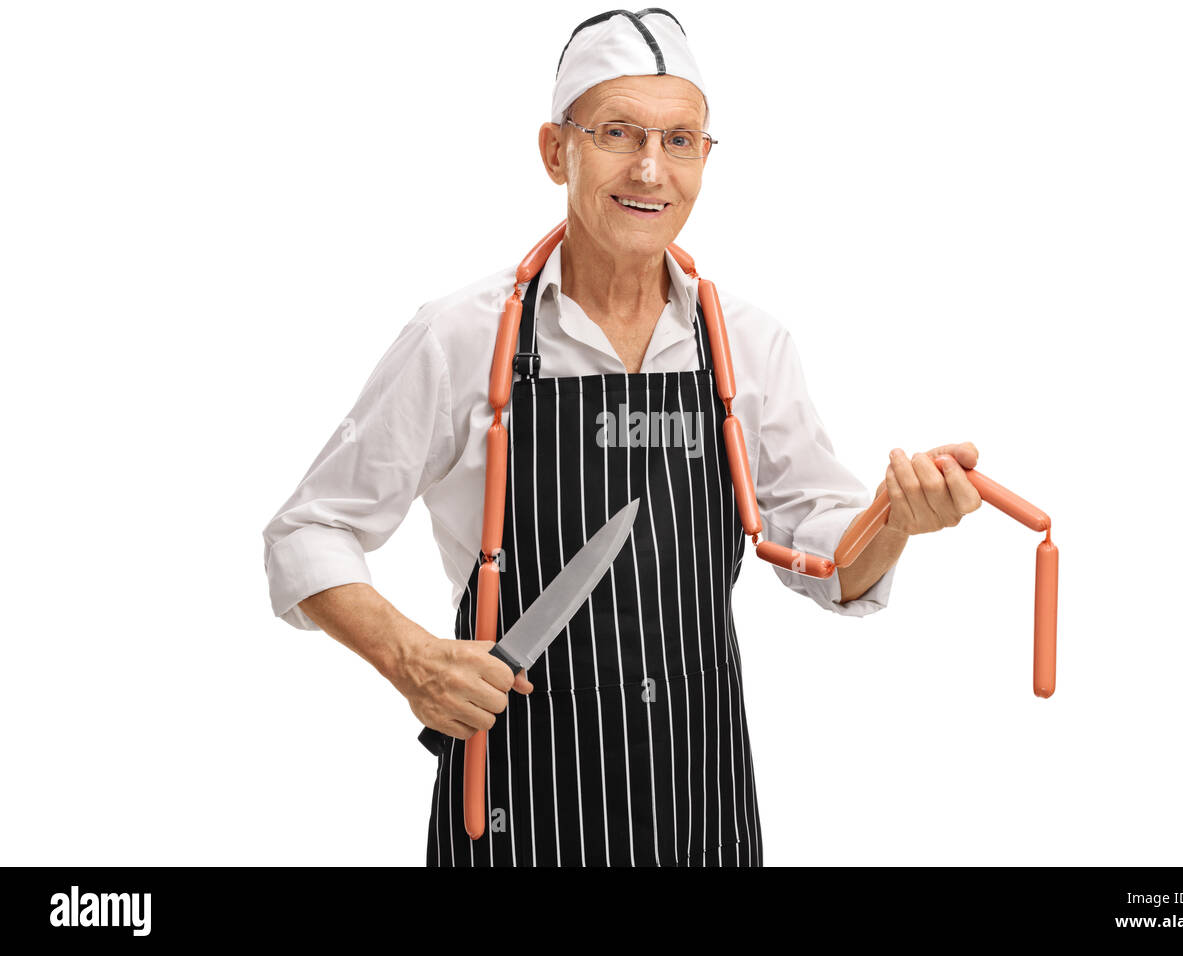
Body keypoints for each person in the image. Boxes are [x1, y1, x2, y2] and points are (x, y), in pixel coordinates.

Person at [261, 7, 981, 867]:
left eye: (681, 140)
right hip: (518, 804)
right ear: (554, 150)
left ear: (706, 160)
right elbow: (309, 531)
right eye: (617, 133)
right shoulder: (461, 337)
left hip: (700, 805)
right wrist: (411, 658)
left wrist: (894, 519)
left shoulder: (748, 343)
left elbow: (825, 559)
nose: (651, 168)